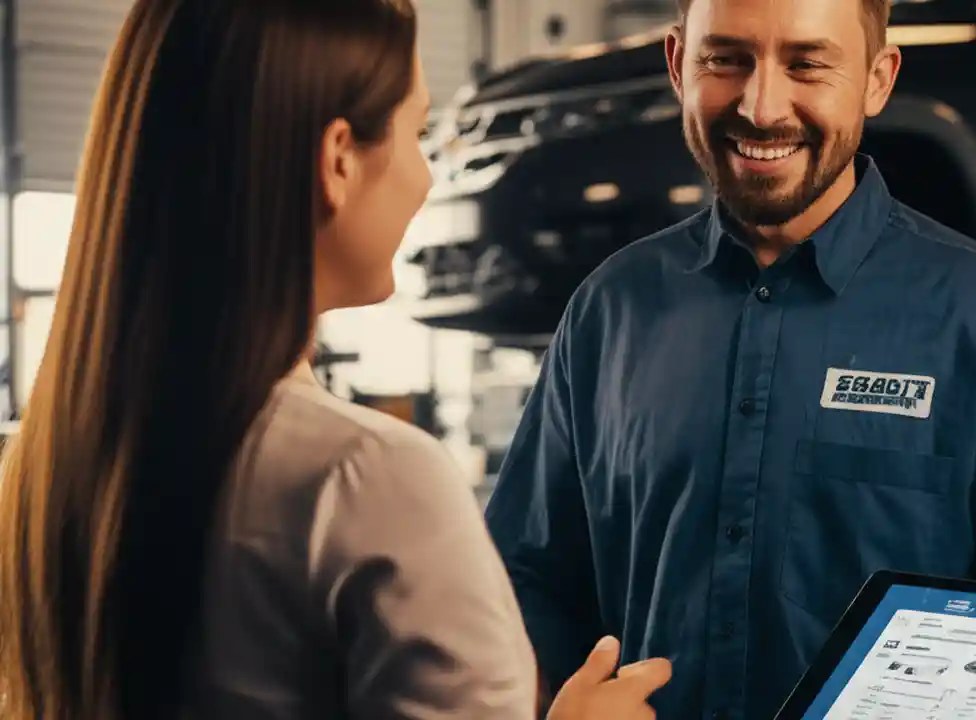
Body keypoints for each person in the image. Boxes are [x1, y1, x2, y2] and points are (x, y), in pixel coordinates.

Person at [0, 1, 669, 719]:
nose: (425, 178)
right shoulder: (365, 479)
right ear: (338, 159)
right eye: (417, 133)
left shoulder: (51, 465)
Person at [483, 0, 976, 717]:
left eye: (807, 64)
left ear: (878, 79)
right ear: (678, 66)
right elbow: (526, 582)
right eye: (725, 60)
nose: (762, 107)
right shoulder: (609, 314)